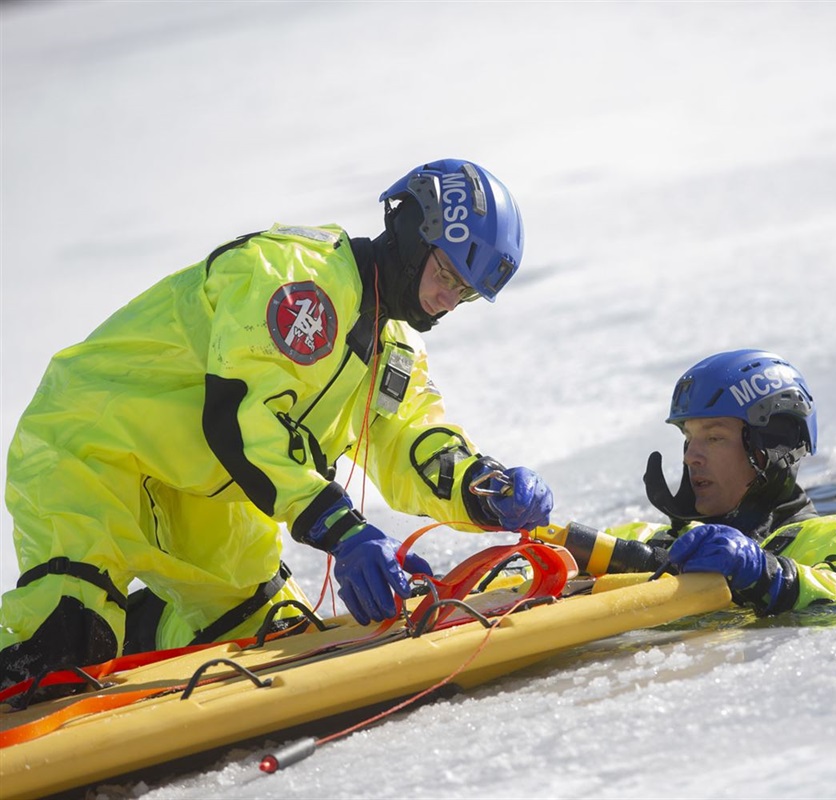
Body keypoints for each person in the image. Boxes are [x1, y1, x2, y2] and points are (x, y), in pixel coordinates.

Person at [0, 158, 554, 688]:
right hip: (92, 445)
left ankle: (130, 633)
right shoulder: (297, 280)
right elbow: (243, 421)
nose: (446, 301)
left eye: (463, 292)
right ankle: (79, 641)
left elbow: (408, 438)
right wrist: (346, 532)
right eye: (446, 274)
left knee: (261, 633)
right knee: (66, 640)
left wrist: (484, 487)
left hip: (206, 489)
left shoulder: (392, 348)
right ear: (414, 232)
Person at [546, 349, 836, 616]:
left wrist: (762, 573)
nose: (691, 456)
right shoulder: (645, 538)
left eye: (715, 437)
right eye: (689, 438)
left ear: (772, 445)